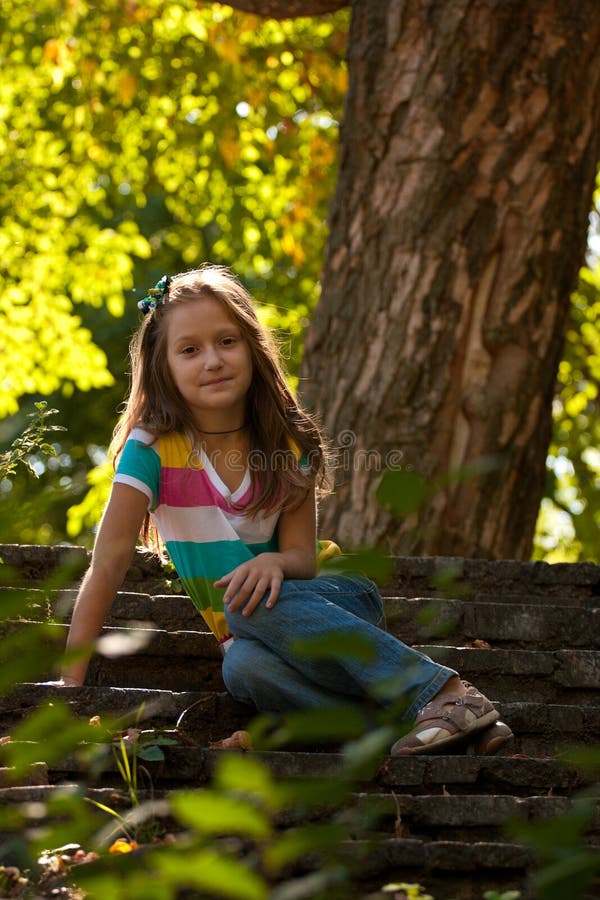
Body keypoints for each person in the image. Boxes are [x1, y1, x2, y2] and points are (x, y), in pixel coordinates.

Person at [57, 264, 512, 756]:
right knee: (241, 668)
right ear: (164, 366)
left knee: (242, 609)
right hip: (254, 636)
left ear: (252, 348)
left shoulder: (284, 441)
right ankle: (409, 731)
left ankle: (447, 693)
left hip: (333, 600)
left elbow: (302, 557)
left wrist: (273, 561)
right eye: (189, 350)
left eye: (226, 342)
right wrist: (70, 686)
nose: (212, 360)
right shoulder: (149, 451)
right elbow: (106, 563)